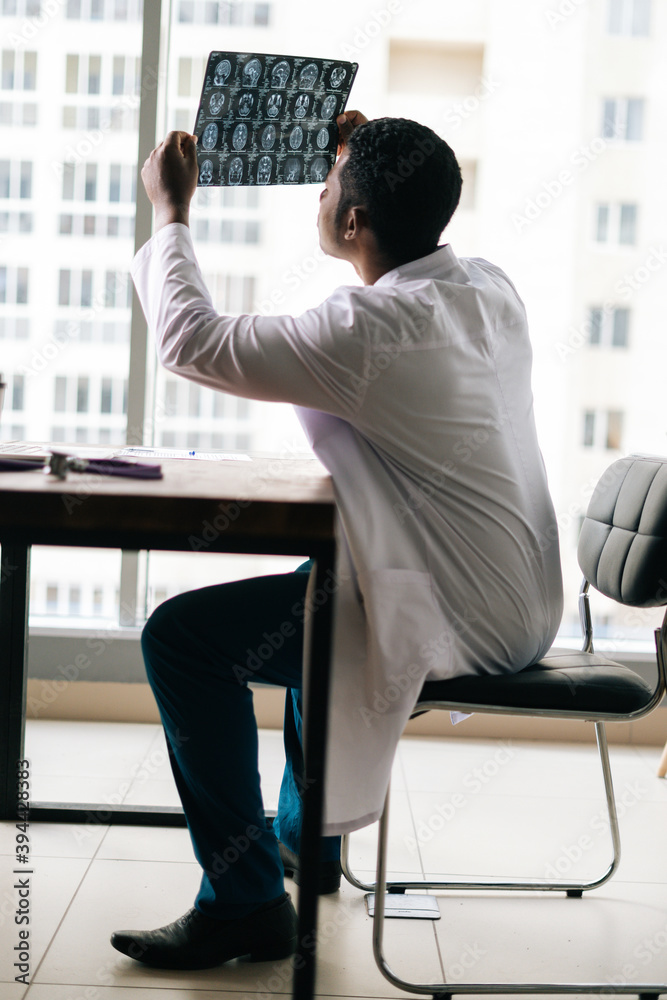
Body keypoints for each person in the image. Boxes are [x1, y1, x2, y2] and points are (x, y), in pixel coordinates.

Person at [111, 112, 563, 970]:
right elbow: (402, 183)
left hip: (464, 614)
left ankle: (243, 903)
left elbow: (189, 339)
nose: (319, 192)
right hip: (529, 598)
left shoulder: (368, 333)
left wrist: (171, 214)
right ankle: (301, 846)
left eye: (329, 186)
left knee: (180, 640)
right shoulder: (487, 287)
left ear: (354, 223)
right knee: (317, 592)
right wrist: (372, 150)